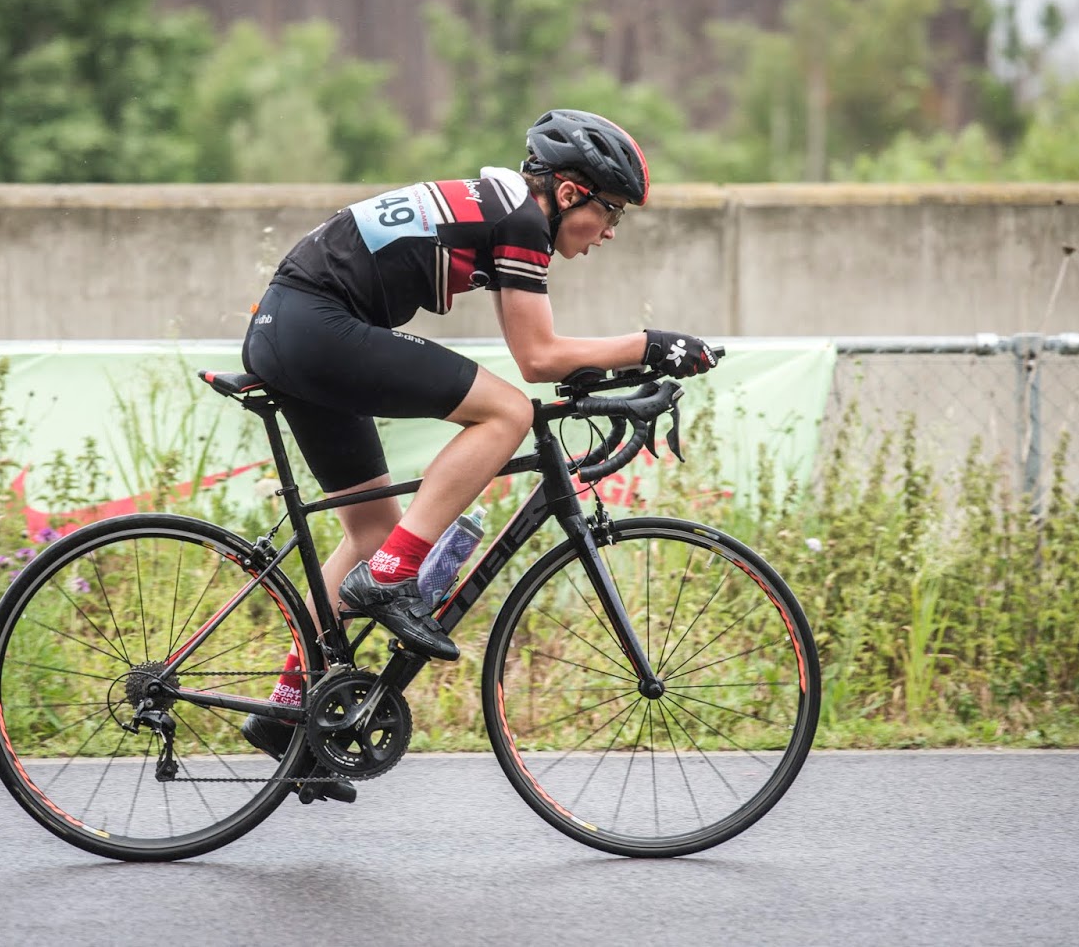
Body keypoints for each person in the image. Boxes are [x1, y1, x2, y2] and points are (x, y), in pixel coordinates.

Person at [237, 109, 718, 788]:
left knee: (372, 530)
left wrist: (633, 370)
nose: (610, 232)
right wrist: (649, 345)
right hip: (315, 325)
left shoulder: (501, 208)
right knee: (507, 412)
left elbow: (554, 357)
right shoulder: (522, 219)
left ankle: (288, 708)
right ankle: (392, 579)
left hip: (297, 326)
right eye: (611, 212)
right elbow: (538, 357)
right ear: (571, 191)